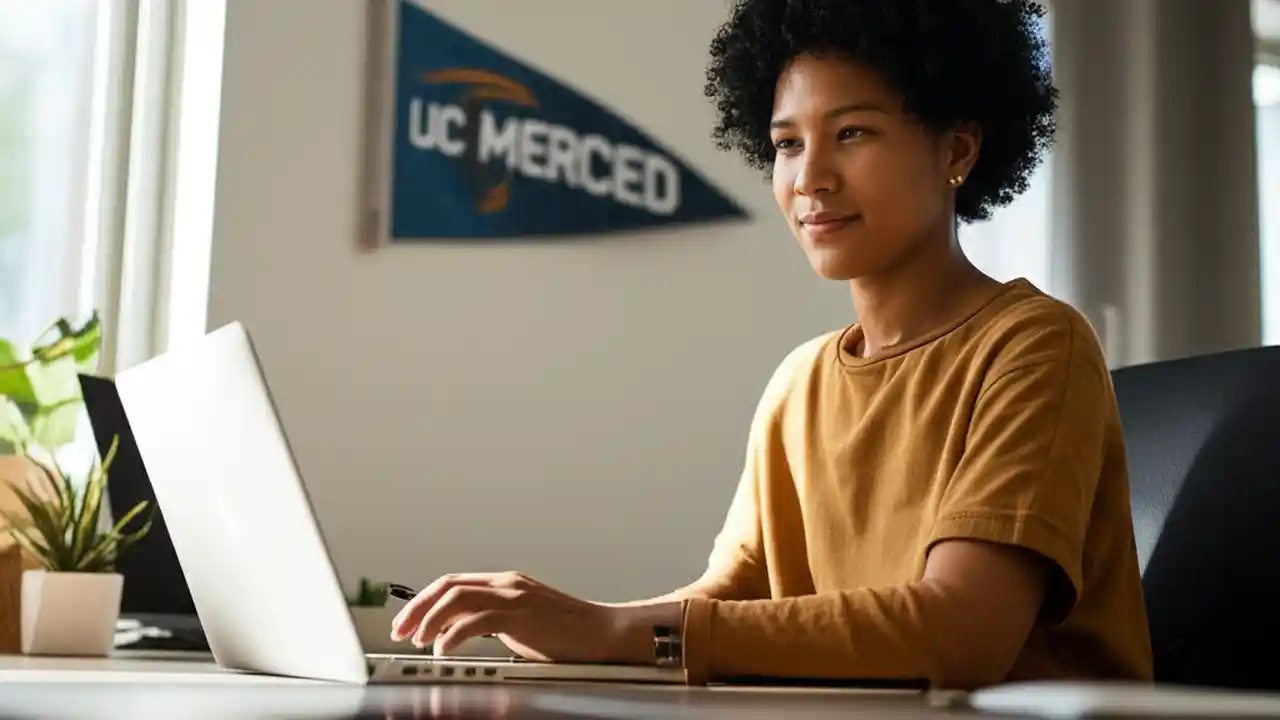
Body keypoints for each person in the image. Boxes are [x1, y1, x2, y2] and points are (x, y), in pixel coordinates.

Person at [390, 0, 1154, 689]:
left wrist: (610, 632)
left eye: (852, 133)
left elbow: (962, 631)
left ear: (957, 150)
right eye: (787, 144)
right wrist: (557, 624)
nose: (810, 178)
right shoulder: (802, 381)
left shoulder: (1035, 347)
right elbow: (730, 596)